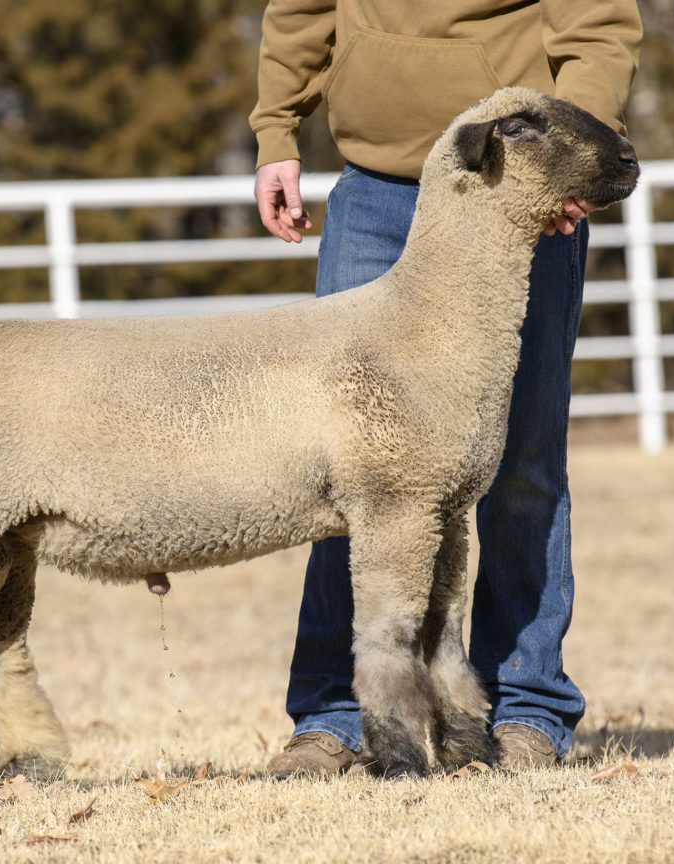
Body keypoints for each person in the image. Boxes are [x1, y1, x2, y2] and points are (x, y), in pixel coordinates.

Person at [249, 1, 642, 773]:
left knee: (522, 457)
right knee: (353, 469)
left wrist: (569, 156)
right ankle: (335, 713)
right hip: (374, 188)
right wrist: (276, 133)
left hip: (513, 185)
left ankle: (527, 706)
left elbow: (597, 26)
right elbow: (300, 9)